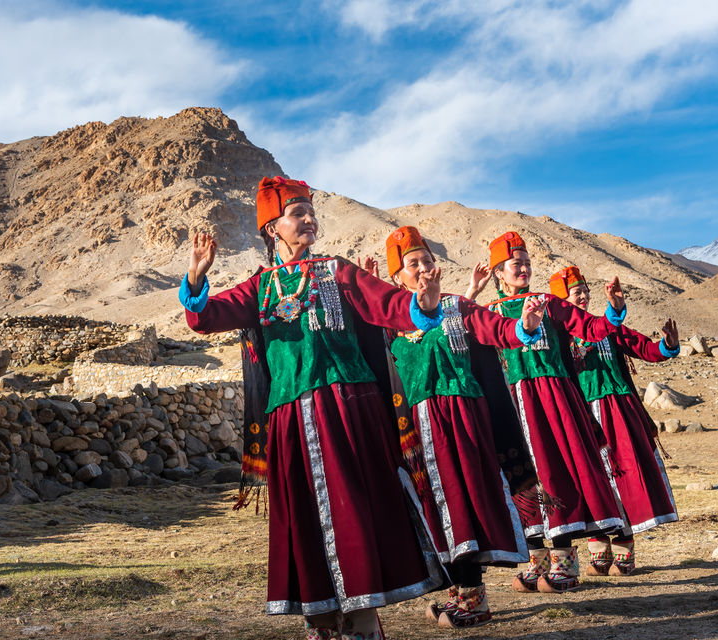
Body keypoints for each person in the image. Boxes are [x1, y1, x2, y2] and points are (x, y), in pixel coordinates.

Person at [180, 176, 447, 640]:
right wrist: (198, 278)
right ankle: (321, 621)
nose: (309, 219)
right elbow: (205, 318)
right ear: (272, 229)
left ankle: (365, 622)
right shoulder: (258, 289)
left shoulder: (337, 272)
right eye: (297, 213)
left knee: (359, 510)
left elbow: (386, 305)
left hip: (349, 412)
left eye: (311, 211)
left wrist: (419, 305)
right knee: (304, 517)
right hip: (289, 421)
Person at [381, 226, 543, 628]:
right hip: (416, 430)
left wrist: (523, 326)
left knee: (465, 500)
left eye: (427, 261)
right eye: (412, 264)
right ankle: (459, 593)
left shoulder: (458, 307)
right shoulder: (389, 325)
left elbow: (498, 330)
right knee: (436, 509)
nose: (422, 269)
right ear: (396, 277)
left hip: (465, 423)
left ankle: (473, 601)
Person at [466, 231, 627, 593]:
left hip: (553, 399)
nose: (522, 268)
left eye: (526, 262)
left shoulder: (548, 303)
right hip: (510, 403)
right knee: (522, 480)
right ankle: (537, 563)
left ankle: (565, 564)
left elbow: (590, 327)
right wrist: (472, 293)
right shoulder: (488, 313)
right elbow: (454, 332)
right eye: (514, 264)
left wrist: (614, 310)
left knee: (557, 472)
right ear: (499, 273)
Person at [549, 265, 680, 576]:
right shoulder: (558, 338)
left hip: (619, 412)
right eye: (574, 293)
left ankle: (623, 548)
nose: (582, 296)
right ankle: (597, 549)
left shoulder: (608, 327)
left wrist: (668, 345)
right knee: (592, 480)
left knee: (625, 476)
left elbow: (645, 349)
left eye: (584, 291)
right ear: (561, 302)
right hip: (581, 414)